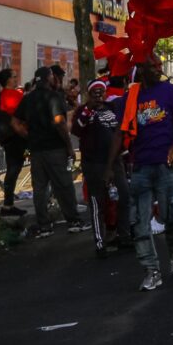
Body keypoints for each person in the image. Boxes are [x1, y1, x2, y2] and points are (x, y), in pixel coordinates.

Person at [128, 55, 173, 290]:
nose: (158, 69)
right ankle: (152, 270)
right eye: (152, 66)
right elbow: (122, 129)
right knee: (140, 222)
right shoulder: (132, 95)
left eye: (159, 66)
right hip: (141, 165)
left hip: (166, 163)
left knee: (170, 215)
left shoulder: (169, 91)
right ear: (141, 69)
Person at [15, 66, 85, 238]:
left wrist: (28, 136)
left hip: (37, 150)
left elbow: (15, 121)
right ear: (49, 78)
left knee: (39, 188)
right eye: (53, 76)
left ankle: (44, 225)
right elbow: (59, 122)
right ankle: (74, 221)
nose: (55, 79)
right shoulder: (54, 97)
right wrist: (69, 146)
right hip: (55, 148)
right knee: (64, 185)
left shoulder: (28, 98)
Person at [72, 79, 128, 253]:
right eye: (94, 92)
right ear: (89, 94)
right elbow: (76, 130)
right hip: (93, 164)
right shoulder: (83, 111)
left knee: (124, 197)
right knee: (97, 203)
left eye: (101, 92)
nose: (98, 95)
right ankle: (100, 243)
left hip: (115, 162)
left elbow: (120, 131)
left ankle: (124, 237)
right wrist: (89, 108)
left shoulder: (112, 108)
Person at [0, 68, 26, 217]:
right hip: (16, 137)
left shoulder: (3, 95)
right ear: (8, 80)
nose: (17, 78)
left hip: (10, 137)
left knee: (13, 169)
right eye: (14, 77)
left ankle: (8, 204)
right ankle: (7, 205)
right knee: (13, 169)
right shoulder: (11, 95)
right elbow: (19, 114)